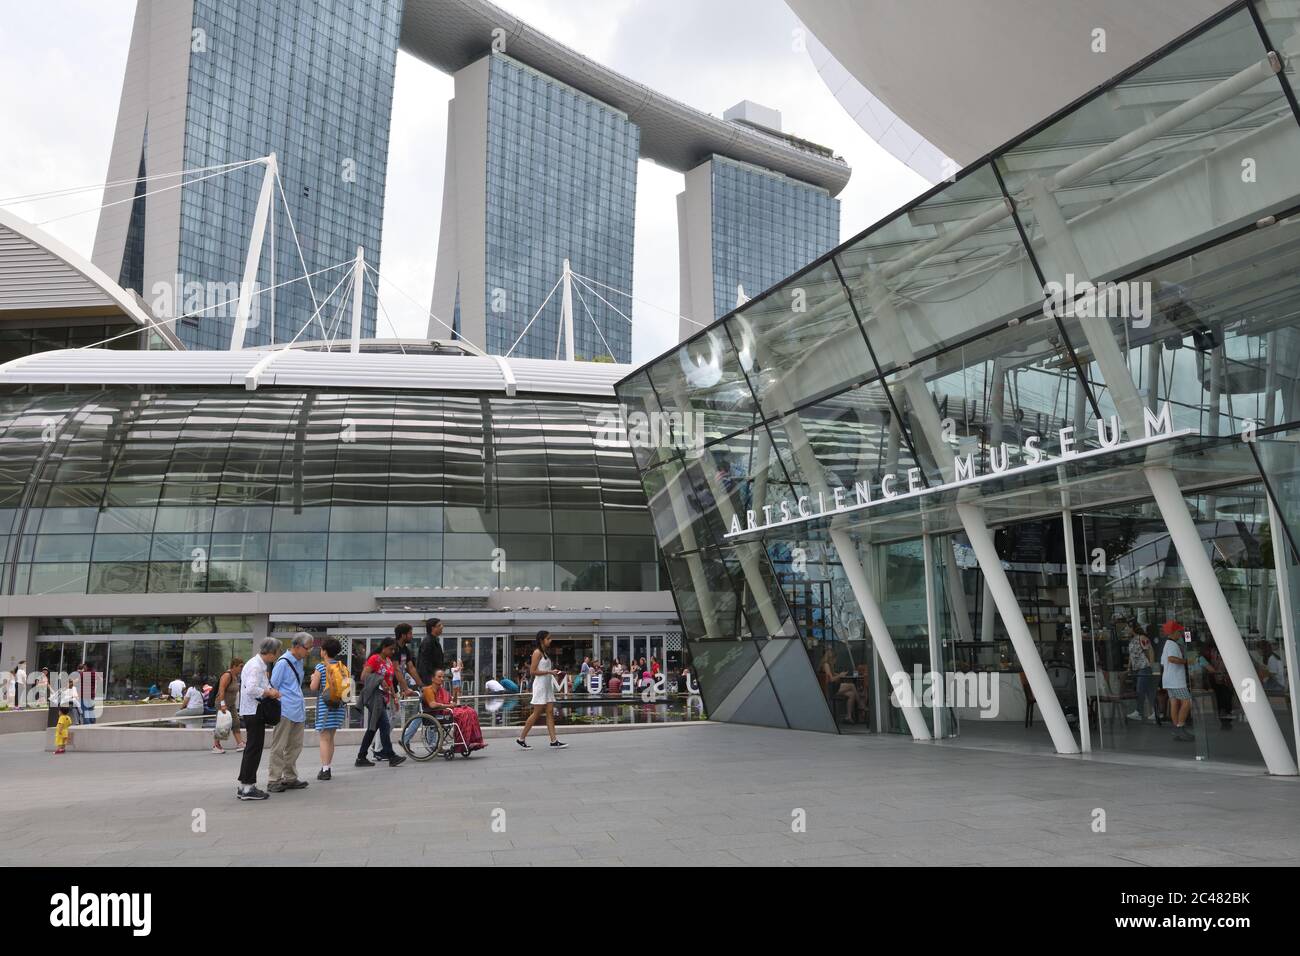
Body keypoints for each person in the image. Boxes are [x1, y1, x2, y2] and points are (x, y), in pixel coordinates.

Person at [237, 638, 282, 801]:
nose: (278, 655)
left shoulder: (256, 664)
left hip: (251, 711)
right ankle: (248, 787)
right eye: (277, 652)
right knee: (254, 748)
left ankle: (244, 785)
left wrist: (271, 690)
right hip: (254, 711)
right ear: (271, 652)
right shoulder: (256, 666)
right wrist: (269, 693)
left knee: (251, 748)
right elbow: (251, 689)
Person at [267, 632, 312, 793]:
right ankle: (274, 779)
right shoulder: (283, 663)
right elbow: (273, 685)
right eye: (307, 648)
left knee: (295, 746)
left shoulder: (299, 662)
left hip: (297, 709)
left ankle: (290, 777)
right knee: (279, 746)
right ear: (297, 647)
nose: (309, 652)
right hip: (285, 709)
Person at [356, 637, 407, 768]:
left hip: (384, 698)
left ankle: (361, 756)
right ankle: (390, 755)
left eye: (394, 649)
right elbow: (363, 676)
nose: (392, 651)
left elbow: (390, 682)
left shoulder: (389, 661)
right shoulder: (375, 659)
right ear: (384, 647)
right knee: (384, 726)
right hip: (375, 697)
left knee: (372, 729)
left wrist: (394, 697)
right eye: (391, 648)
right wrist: (380, 679)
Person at [516, 630, 568, 750]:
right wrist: (549, 671)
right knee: (536, 713)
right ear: (541, 640)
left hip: (547, 686)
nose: (551, 640)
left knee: (550, 712)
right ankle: (521, 738)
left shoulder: (544, 653)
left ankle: (554, 741)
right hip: (540, 686)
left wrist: (553, 672)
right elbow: (532, 671)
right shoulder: (537, 653)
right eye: (548, 638)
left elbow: (542, 669)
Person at [310, 637, 348, 780]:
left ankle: (325, 769)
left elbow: (313, 688)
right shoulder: (342, 667)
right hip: (338, 707)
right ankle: (328, 766)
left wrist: (314, 677)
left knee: (324, 738)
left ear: (324, 652)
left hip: (325, 708)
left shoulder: (321, 667)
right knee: (331, 738)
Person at [425, 668, 486, 752]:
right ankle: (463, 743)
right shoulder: (428, 690)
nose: (442, 679)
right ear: (432, 678)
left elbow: (453, 702)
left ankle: (473, 741)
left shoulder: (442, 690)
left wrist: (455, 692)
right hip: (438, 714)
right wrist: (448, 705)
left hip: (447, 711)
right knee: (463, 714)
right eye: (439, 677)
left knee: (471, 711)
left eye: (443, 677)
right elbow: (432, 705)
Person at [1159, 620, 1194, 742]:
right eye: (1179, 631)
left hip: (1168, 679)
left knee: (1174, 703)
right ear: (1173, 632)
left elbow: (1164, 662)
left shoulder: (1167, 644)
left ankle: (1176, 730)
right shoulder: (1173, 645)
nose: (1180, 633)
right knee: (1187, 701)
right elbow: (1171, 659)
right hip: (1176, 680)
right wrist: (1186, 661)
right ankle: (1180, 726)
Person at [210, 658, 245, 754]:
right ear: (234, 666)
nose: (242, 668)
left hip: (231, 704)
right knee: (222, 725)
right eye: (240, 666)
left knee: (236, 722)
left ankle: (240, 743)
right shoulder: (227, 675)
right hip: (222, 703)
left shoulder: (235, 676)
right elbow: (221, 689)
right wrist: (222, 704)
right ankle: (216, 745)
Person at [1126, 624, 1156, 721]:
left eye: (1127, 627)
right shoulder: (1132, 640)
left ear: (1132, 628)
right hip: (1137, 668)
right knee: (1148, 690)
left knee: (1140, 689)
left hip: (1145, 667)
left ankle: (1139, 711)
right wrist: (1129, 667)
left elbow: (1150, 650)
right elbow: (1131, 655)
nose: (1126, 630)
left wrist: (1151, 665)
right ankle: (1156, 711)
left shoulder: (1142, 638)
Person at [394, 623, 423, 695]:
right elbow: (396, 669)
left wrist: (421, 686)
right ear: (403, 635)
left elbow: (411, 668)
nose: (412, 636)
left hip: (397, 685)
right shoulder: (393, 648)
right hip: (388, 685)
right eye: (410, 633)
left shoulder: (405, 649)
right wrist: (406, 688)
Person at [416, 618, 445, 684]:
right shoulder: (428, 641)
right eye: (439, 625)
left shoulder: (434, 640)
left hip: (434, 678)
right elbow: (424, 663)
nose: (442, 627)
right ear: (433, 628)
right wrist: (430, 680)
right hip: (430, 680)